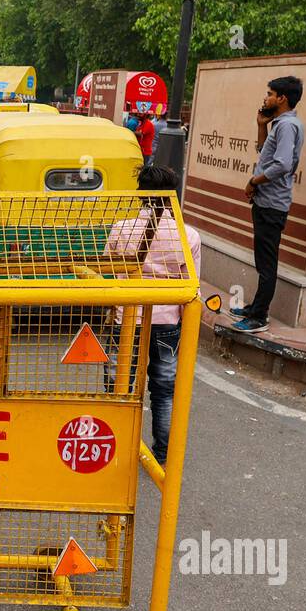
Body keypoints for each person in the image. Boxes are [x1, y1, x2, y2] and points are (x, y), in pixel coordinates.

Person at [102, 162, 200, 464]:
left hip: (126, 319)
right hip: (166, 323)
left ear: (140, 193)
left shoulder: (122, 228)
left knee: (118, 388)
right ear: (173, 194)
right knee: (164, 390)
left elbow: (107, 268)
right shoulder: (188, 235)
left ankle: (114, 449)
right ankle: (161, 455)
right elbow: (191, 287)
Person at [231, 75, 305, 333]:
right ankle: (255, 308)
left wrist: (254, 181)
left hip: (272, 204)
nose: (266, 98)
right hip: (267, 201)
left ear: (282, 98)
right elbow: (267, 154)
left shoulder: (287, 126)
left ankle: (259, 317)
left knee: (267, 263)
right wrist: (261, 126)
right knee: (263, 261)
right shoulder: (280, 124)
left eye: (270, 93)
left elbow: (283, 164)